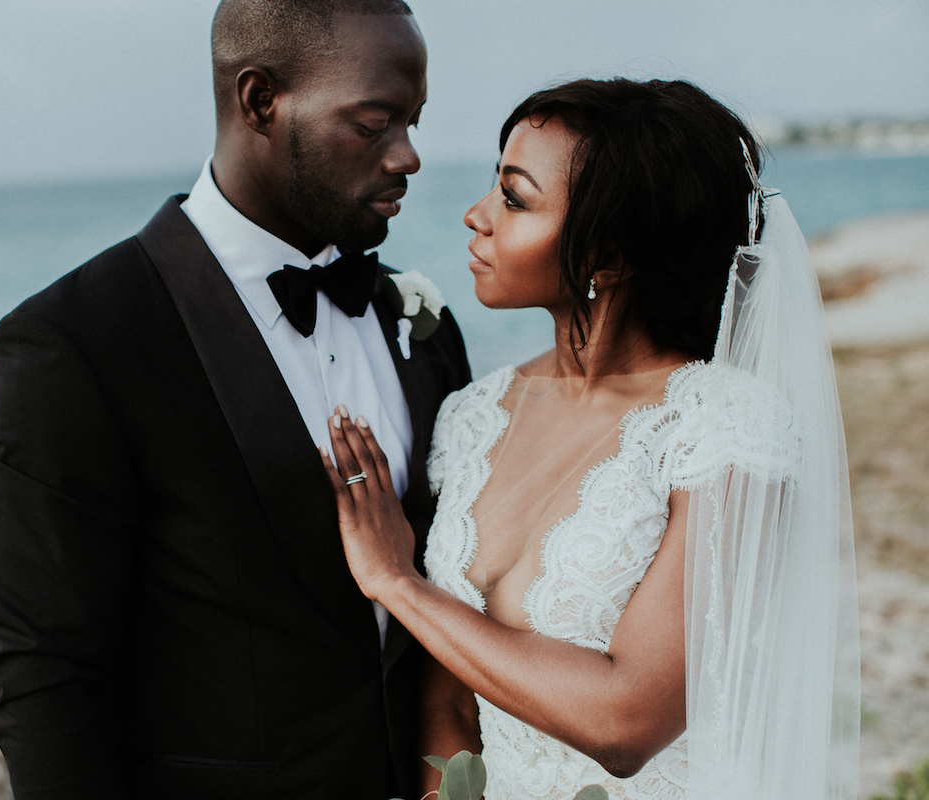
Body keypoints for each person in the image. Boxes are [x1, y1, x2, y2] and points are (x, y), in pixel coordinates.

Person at [0, 1, 470, 798]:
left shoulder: (421, 325)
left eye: (412, 121)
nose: (408, 156)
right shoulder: (78, 340)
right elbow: (40, 667)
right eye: (375, 123)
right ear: (260, 100)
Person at [320, 79, 860, 800]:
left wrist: (395, 582)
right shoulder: (471, 415)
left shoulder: (727, 428)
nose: (475, 217)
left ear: (609, 256)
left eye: (514, 199)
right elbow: (451, 699)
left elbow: (628, 722)